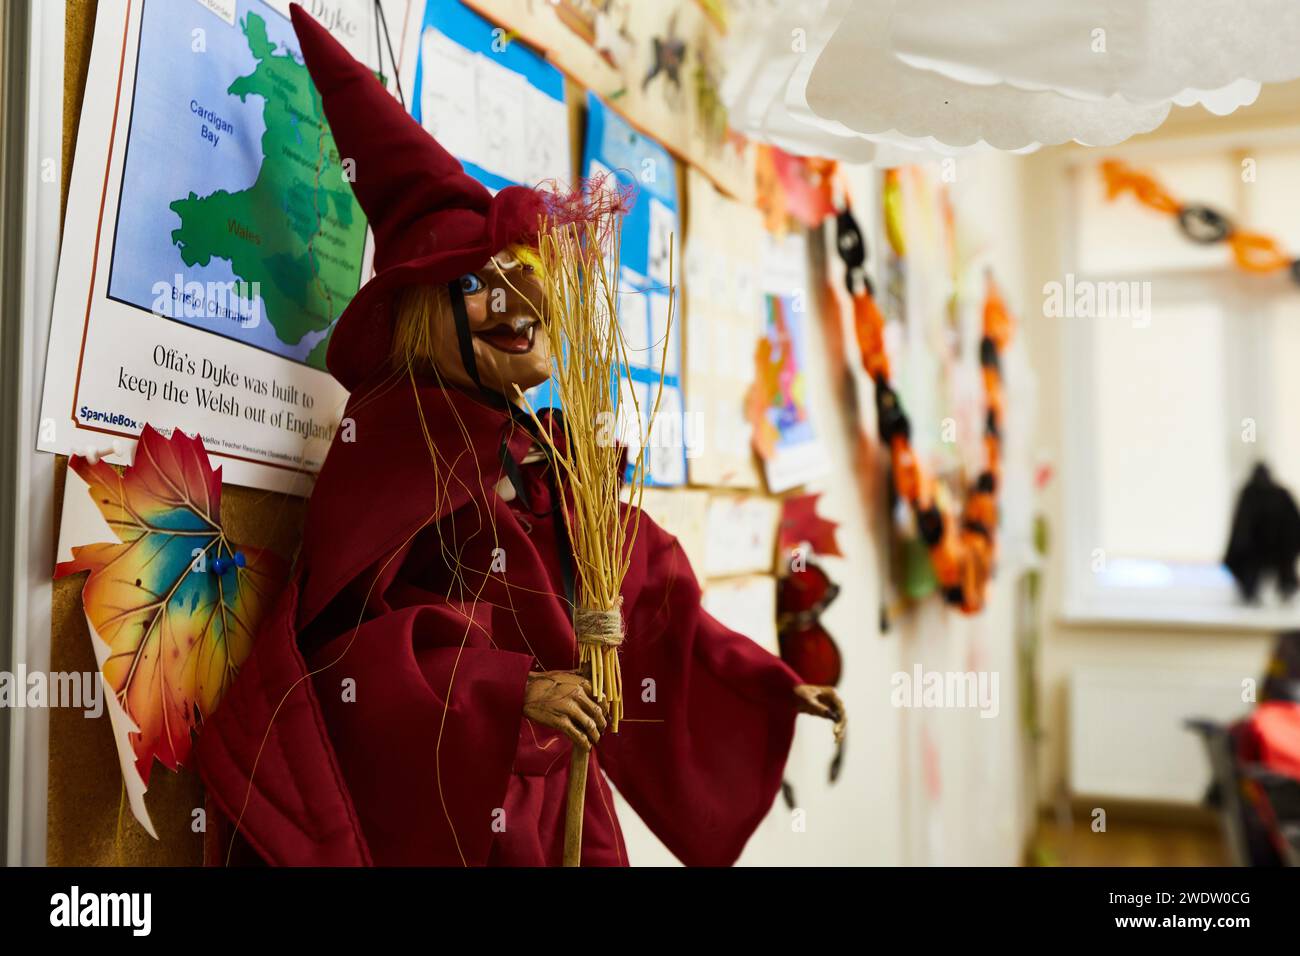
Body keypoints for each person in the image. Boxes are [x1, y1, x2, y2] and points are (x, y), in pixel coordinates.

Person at [195, 3, 845, 867]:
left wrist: (763, 682)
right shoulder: (395, 454)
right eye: (480, 286)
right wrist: (510, 692)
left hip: (556, 797)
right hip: (463, 805)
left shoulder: (540, 459)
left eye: (528, 281)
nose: (521, 310)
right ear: (425, 313)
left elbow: (641, 591)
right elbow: (349, 658)